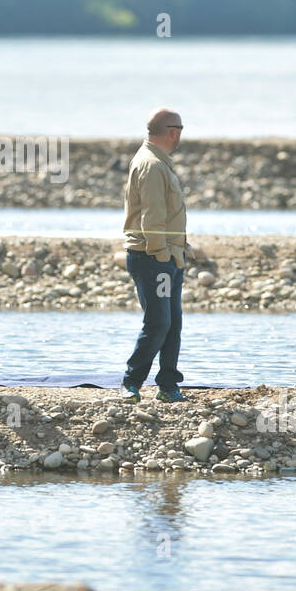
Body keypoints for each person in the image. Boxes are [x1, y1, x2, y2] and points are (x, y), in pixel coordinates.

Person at [120, 107, 194, 403]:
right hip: (154, 258)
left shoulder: (157, 160)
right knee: (159, 322)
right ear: (173, 132)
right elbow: (152, 216)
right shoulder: (152, 164)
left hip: (169, 257)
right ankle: (132, 381)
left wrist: (177, 253)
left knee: (172, 322)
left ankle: (168, 384)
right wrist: (161, 255)